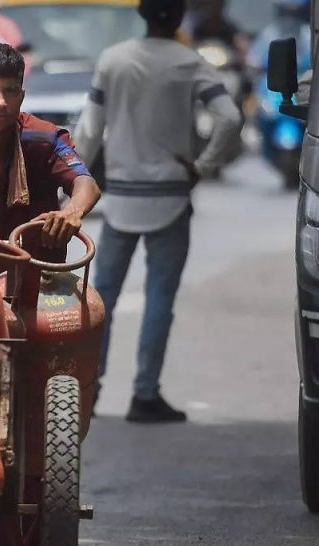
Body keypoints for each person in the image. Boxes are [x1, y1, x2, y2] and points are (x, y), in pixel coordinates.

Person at [73, 0, 241, 423]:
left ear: (142, 14)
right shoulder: (190, 63)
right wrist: (204, 166)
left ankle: (90, 391)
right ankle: (145, 394)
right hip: (171, 196)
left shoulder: (112, 60)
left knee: (102, 297)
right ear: (180, 17)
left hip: (121, 197)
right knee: (160, 298)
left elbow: (89, 130)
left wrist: (74, 182)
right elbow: (229, 117)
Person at [0, 41, 101, 264]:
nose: (1, 102)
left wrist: (71, 212)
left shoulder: (43, 137)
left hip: (35, 271)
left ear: (22, 96)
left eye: (10, 91)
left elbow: (86, 184)